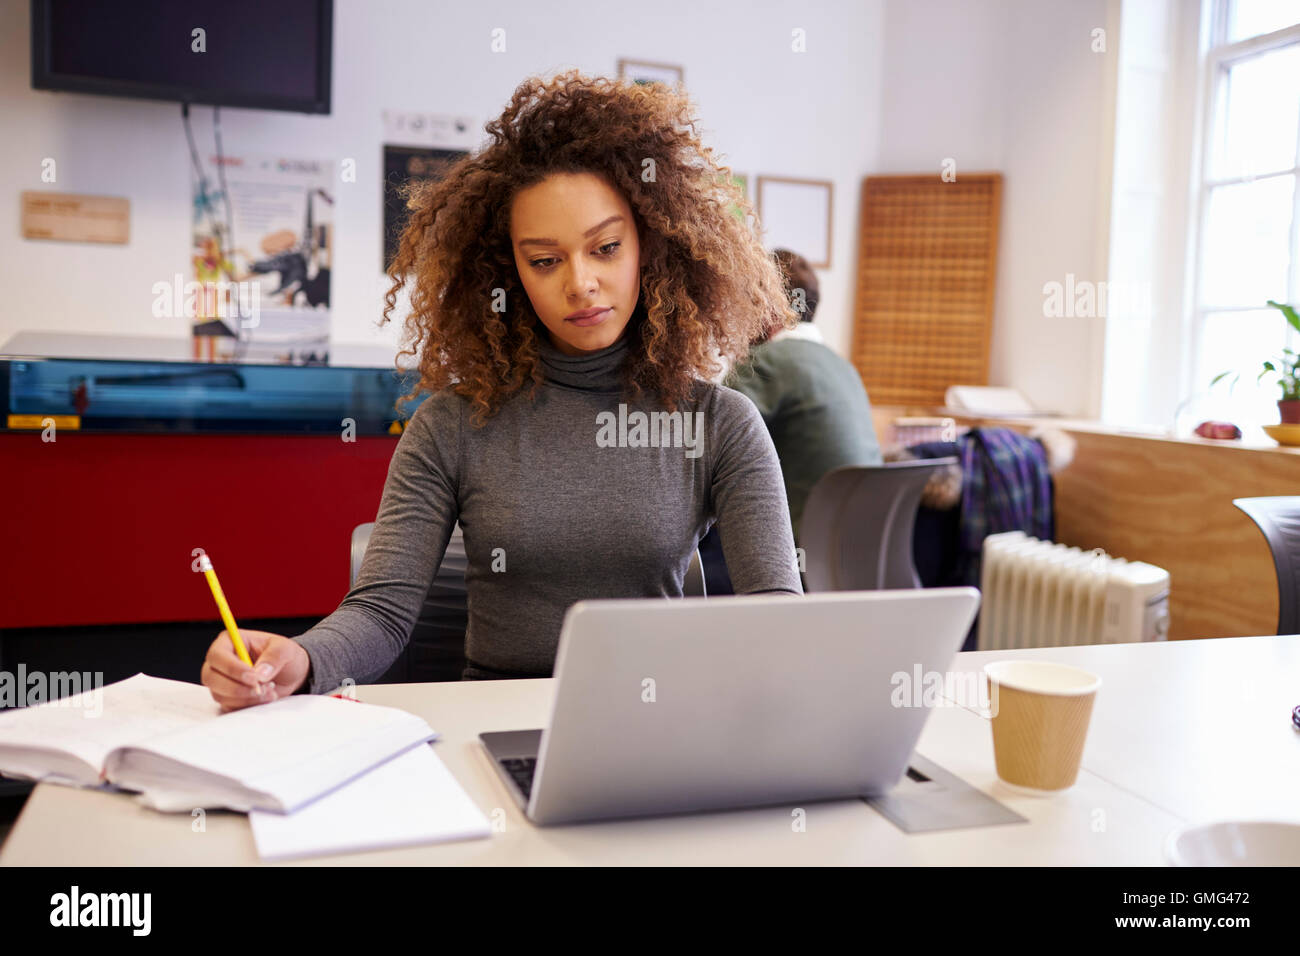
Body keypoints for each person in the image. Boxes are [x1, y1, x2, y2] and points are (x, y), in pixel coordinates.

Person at [201, 70, 803, 710]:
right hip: (492, 723)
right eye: (545, 260)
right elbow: (381, 612)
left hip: (653, 722)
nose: (581, 283)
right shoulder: (451, 426)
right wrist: (301, 658)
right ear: (507, 271)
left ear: (649, 245)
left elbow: (775, 613)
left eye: (605, 247)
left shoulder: (721, 423)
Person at [700, 249, 881, 592]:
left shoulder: (763, 364)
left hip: (791, 563)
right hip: (856, 559)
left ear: (766, 308)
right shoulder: (844, 367)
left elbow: (702, 455)